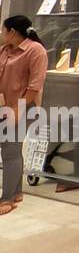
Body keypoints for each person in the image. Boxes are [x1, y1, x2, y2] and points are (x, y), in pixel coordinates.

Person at [0, 15, 49, 216]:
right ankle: (17, 192)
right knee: (10, 149)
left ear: (12, 32)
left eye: (3, 30)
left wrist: (19, 108)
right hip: (4, 105)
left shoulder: (35, 50)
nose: (1, 34)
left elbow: (35, 85)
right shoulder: (4, 50)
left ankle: (7, 198)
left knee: (10, 151)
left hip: (22, 105)